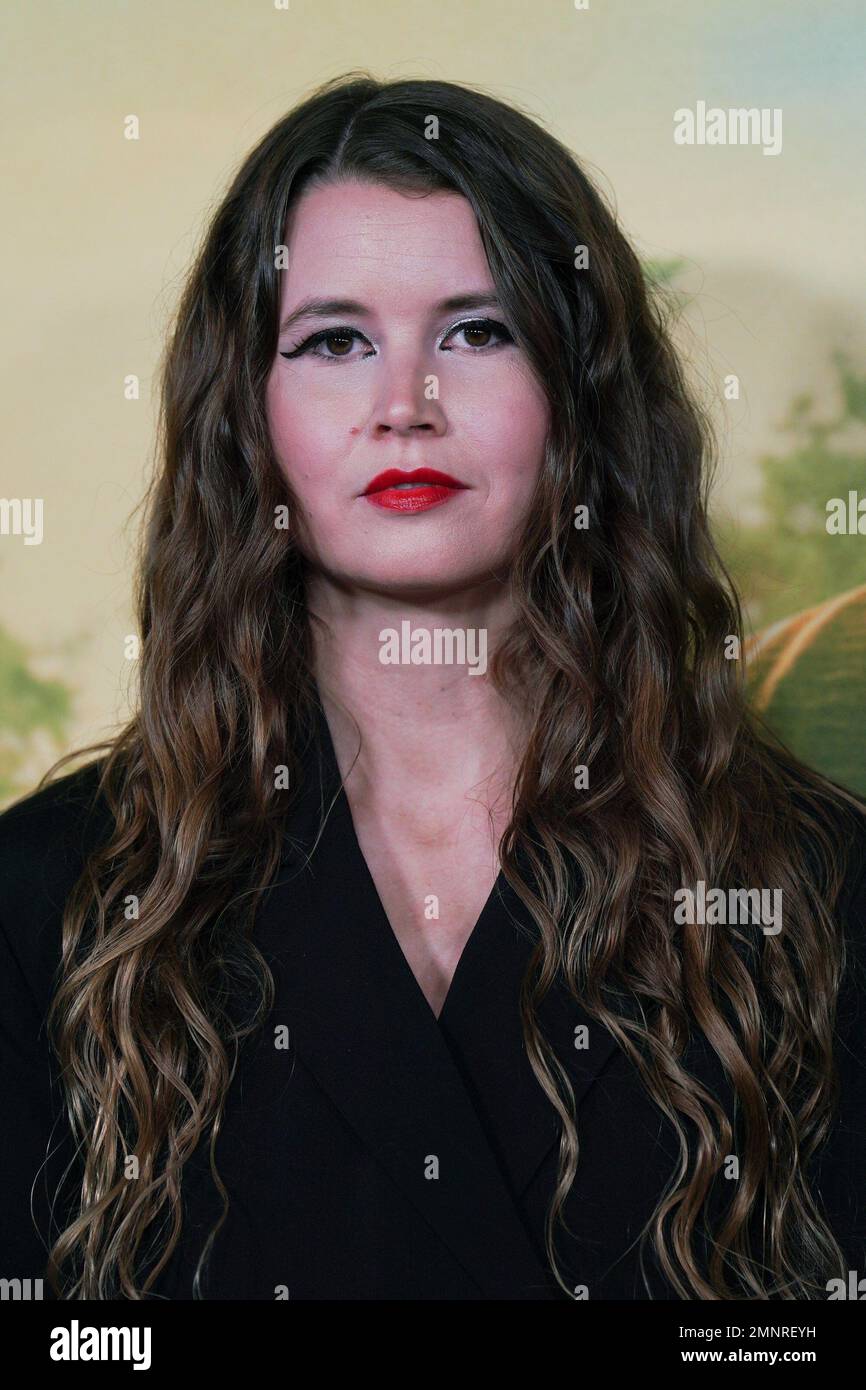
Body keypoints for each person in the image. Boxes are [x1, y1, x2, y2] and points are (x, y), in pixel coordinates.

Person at [1, 71, 864, 1303]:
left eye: (476, 331)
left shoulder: (814, 892)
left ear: (581, 393)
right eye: (334, 341)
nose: (405, 406)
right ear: (244, 411)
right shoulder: (49, 903)